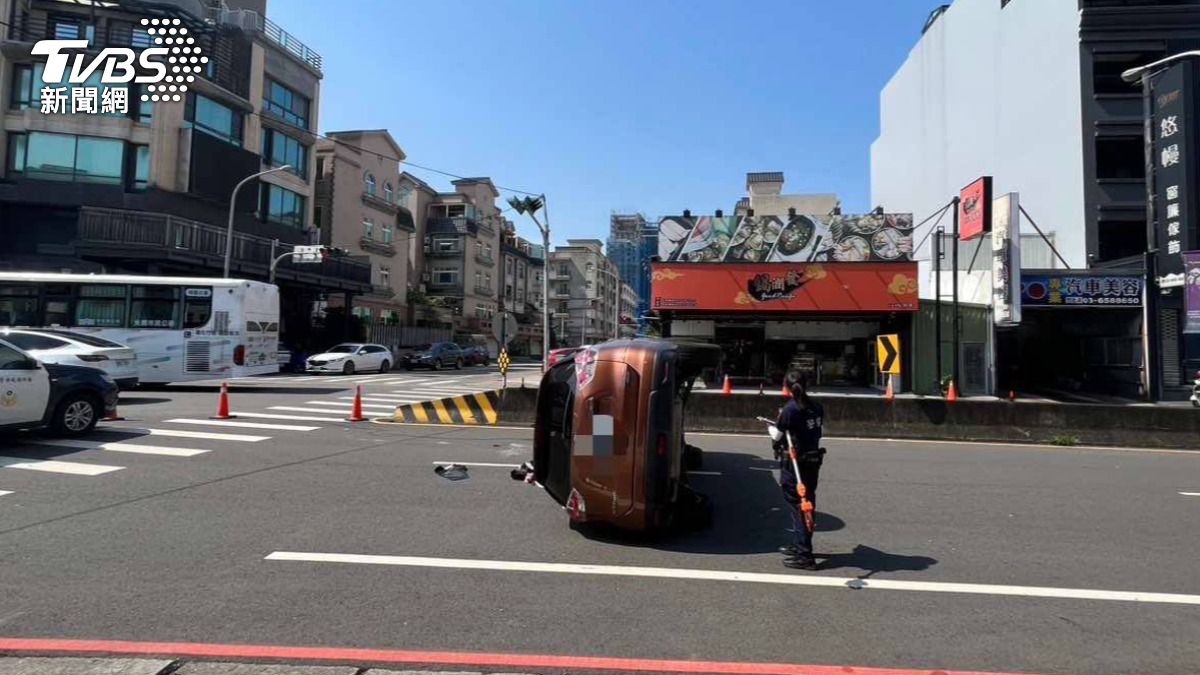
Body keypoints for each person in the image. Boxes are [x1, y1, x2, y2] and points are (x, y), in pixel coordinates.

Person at [774, 373, 825, 570]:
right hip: (813, 461)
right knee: (807, 502)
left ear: (787, 387)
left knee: (799, 506)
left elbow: (778, 434)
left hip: (796, 463)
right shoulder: (817, 407)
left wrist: (776, 424)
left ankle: (805, 554)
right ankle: (799, 543)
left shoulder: (790, 409)